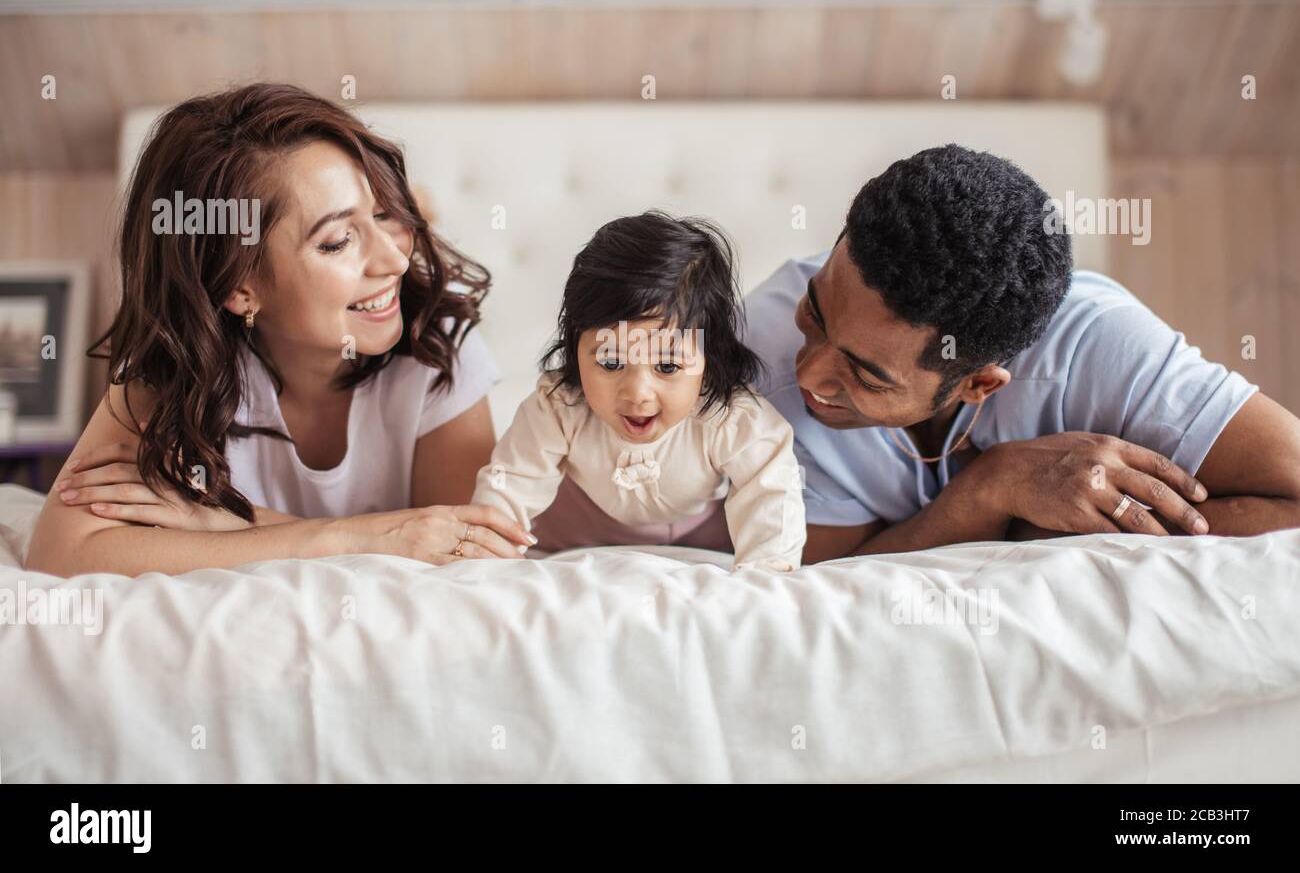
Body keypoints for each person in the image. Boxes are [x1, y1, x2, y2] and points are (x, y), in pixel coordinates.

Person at [27, 83, 533, 577]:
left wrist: (228, 523)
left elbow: (466, 561)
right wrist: (349, 538)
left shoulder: (435, 340)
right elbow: (61, 552)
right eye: (337, 242)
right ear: (238, 287)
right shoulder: (176, 360)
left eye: (384, 215)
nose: (394, 259)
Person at [744, 144, 1300, 562]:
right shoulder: (758, 368)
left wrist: (1051, 531)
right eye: (816, 313)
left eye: (867, 374)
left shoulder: (1104, 354)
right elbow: (831, 581)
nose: (809, 372)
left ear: (979, 384)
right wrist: (993, 491)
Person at [472, 211, 805, 572]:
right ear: (574, 350)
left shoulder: (729, 417)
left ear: (709, 359)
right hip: (573, 533)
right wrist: (487, 556)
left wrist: (766, 573)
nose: (637, 394)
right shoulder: (559, 406)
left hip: (706, 537)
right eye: (611, 363)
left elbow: (770, 491)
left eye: (667, 367)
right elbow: (511, 483)